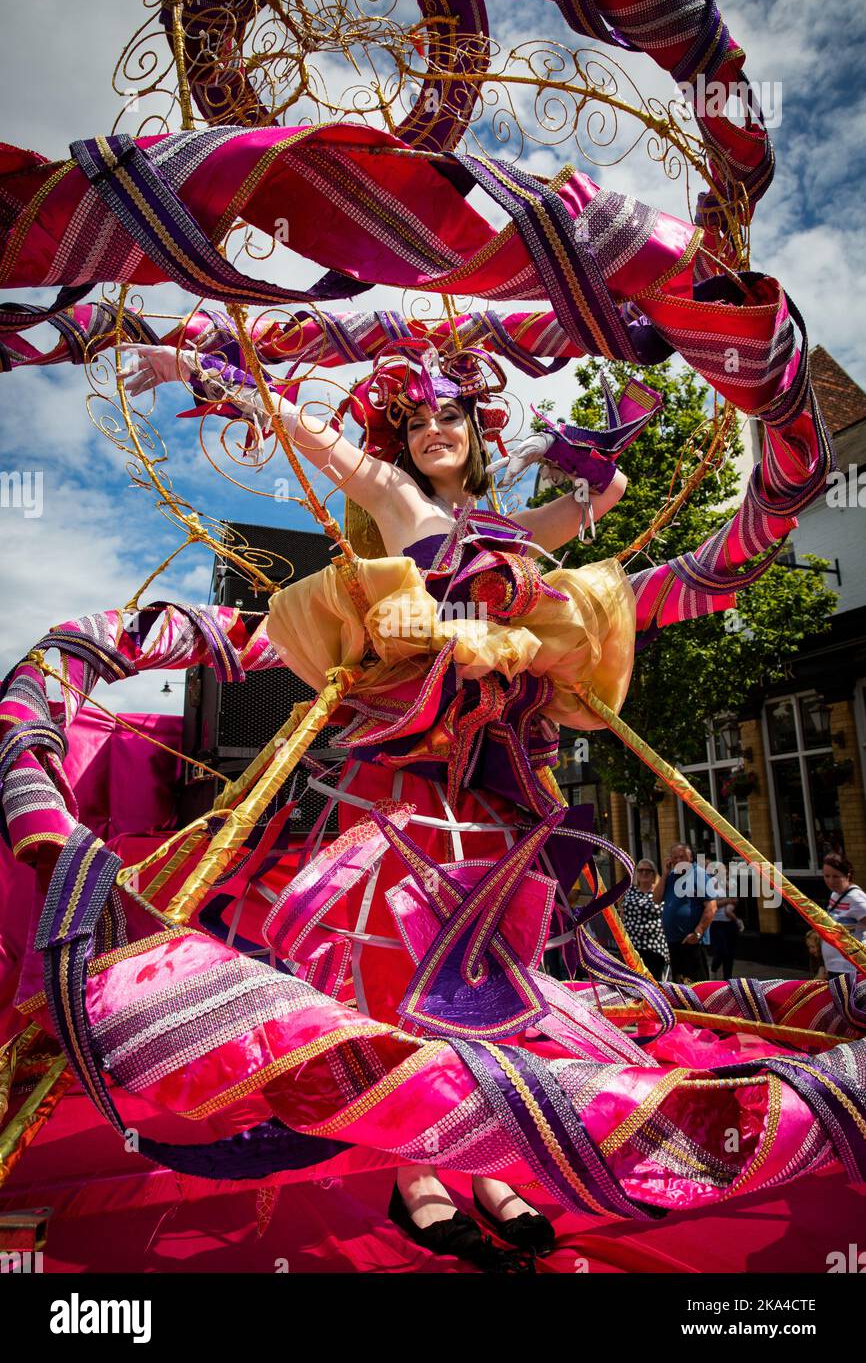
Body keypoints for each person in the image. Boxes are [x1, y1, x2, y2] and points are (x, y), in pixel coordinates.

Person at [118, 338, 639, 1271]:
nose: (436, 428)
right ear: (401, 444)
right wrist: (193, 373)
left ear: (479, 431)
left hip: (502, 773)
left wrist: (602, 456)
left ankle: (488, 1161)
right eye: (418, 419)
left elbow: (607, 497)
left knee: (498, 963)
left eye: (453, 414)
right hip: (408, 768)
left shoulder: (510, 524)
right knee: (400, 966)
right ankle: (413, 1172)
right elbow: (309, 436)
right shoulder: (399, 503)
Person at [655, 842, 718, 983]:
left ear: (690, 858)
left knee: (696, 985)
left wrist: (698, 932)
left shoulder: (698, 874)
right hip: (673, 941)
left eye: (682, 857)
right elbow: (656, 899)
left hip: (692, 941)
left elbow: (712, 907)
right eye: (675, 857)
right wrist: (664, 874)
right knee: (680, 984)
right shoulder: (671, 876)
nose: (678, 861)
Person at [819, 852, 866, 980]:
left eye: (836, 876)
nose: (830, 881)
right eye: (826, 876)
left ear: (847, 875)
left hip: (851, 970)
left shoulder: (856, 898)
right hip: (834, 968)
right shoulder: (835, 895)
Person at [620, 858, 669, 979]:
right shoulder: (630, 890)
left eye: (648, 870)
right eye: (640, 870)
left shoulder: (659, 891)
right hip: (632, 946)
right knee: (633, 981)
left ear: (654, 874)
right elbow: (622, 912)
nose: (644, 873)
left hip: (653, 946)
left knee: (653, 982)